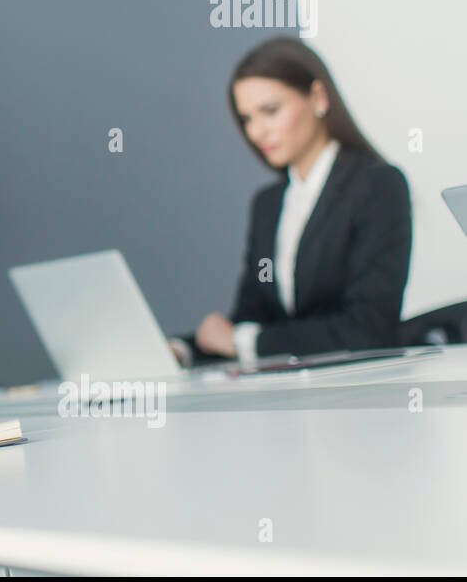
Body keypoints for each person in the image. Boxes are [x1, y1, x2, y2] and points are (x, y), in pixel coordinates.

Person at [171, 36, 412, 368]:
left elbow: (367, 328)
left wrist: (243, 341)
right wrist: (183, 350)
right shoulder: (268, 205)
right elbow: (252, 318)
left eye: (270, 111)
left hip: (359, 388)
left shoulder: (377, 186)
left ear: (317, 97)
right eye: (247, 119)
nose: (256, 132)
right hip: (294, 393)